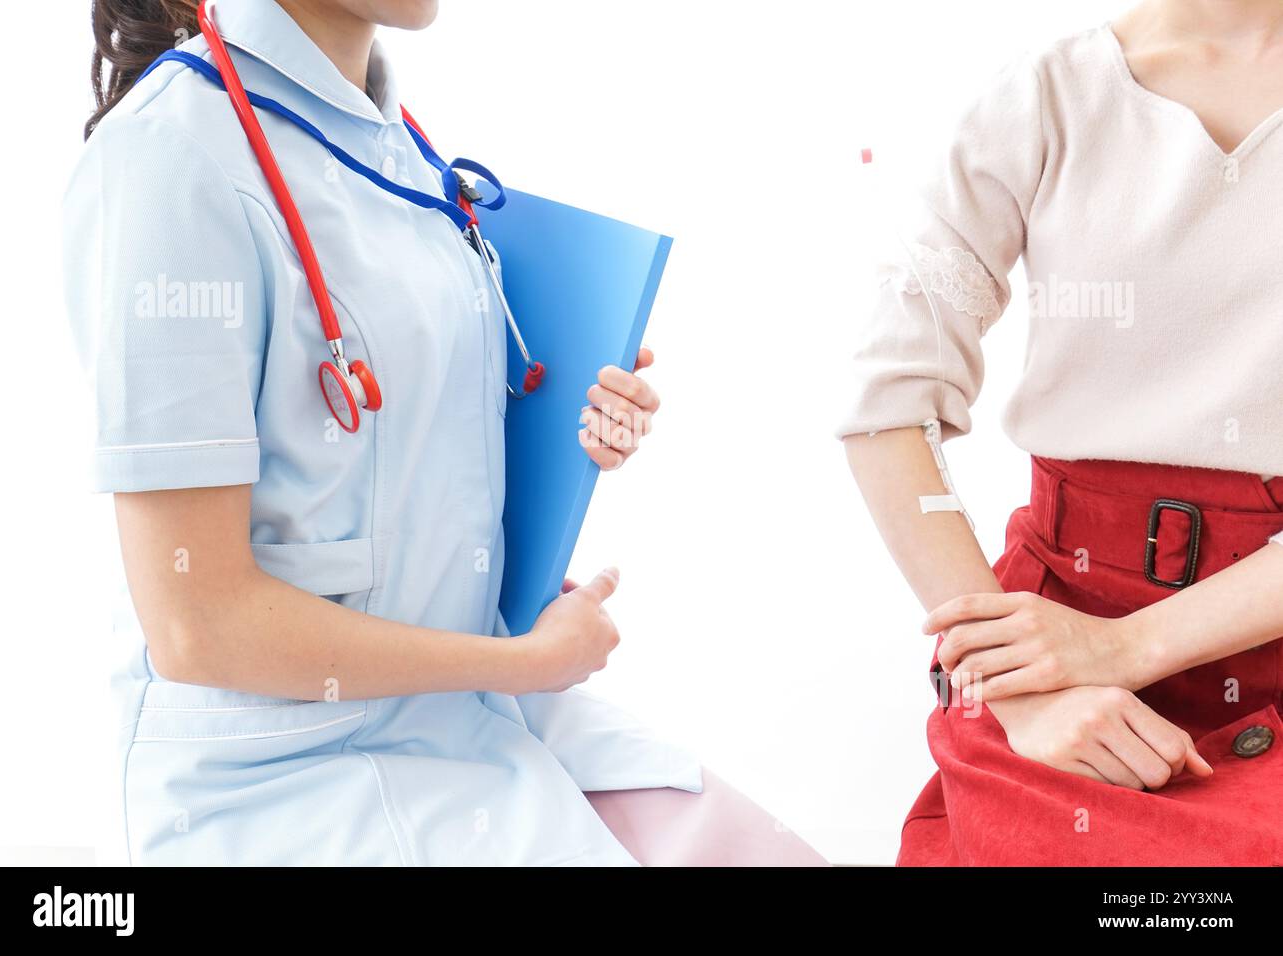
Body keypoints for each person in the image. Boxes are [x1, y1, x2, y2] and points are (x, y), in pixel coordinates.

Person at [65, 0, 826, 866]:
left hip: (468, 712)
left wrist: (564, 421)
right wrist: (521, 664)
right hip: (291, 776)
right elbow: (198, 623)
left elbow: (383, 467)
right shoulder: (169, 158)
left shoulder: (399, 150)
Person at [840, 0, 1283, 865]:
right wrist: (1019, 690)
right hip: (1049, 628)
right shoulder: (1044, 96)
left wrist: (1125, 647)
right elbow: (886, 405)